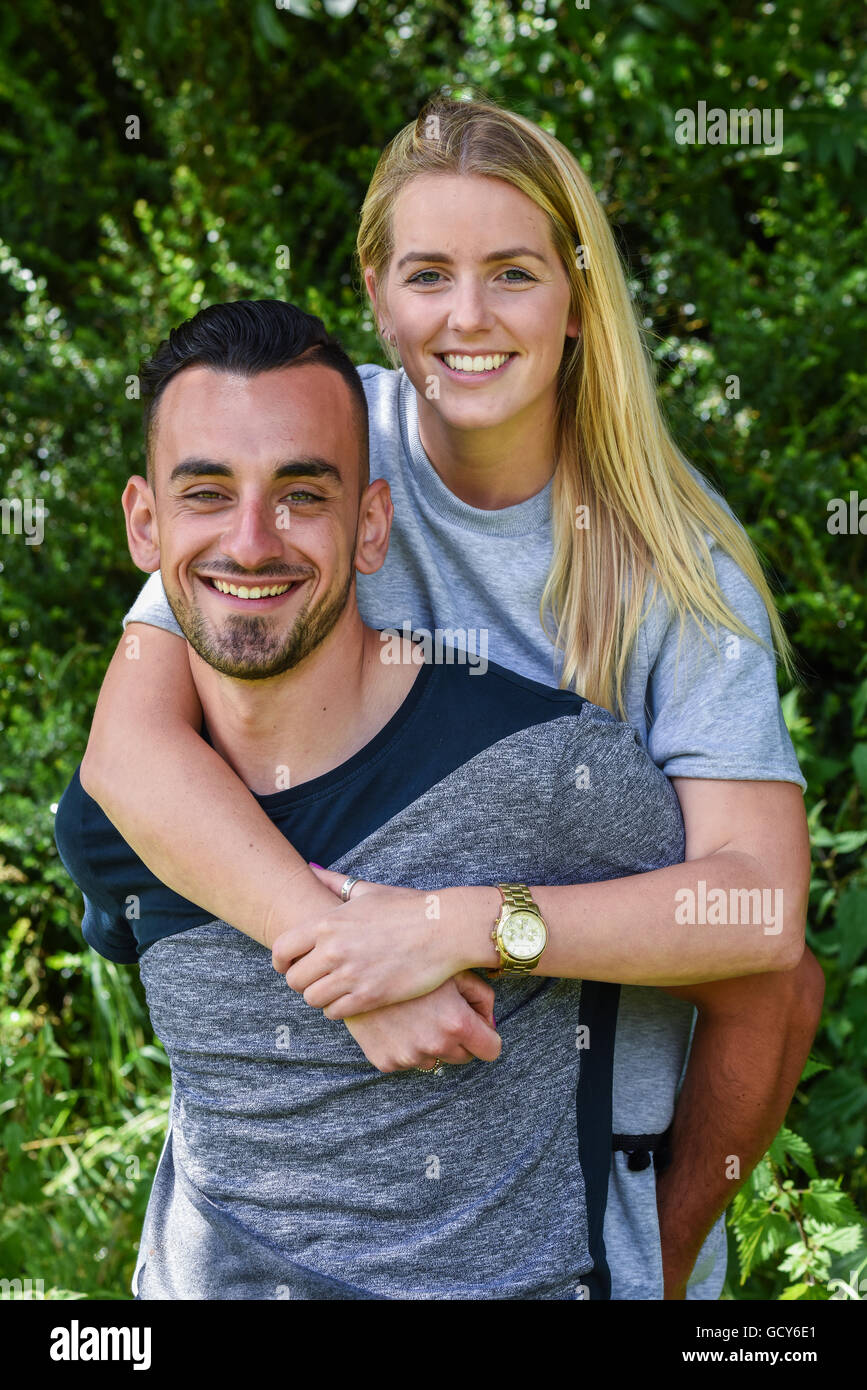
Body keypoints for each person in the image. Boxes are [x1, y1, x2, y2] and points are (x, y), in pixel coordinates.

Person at [78, 96, 822, 1301]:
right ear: (376, 291)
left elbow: (759, 915)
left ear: (579, 299)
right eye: (429, 273)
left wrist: (452, 930)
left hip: (563, 1205)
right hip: (279, 1194)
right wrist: (336, 954)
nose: (466, 318)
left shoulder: (675, 564)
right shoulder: (308, 443)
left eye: (514, 273)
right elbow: (128, 749)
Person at [55, 300, 691, 1299]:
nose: (253, 541)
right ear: (146, 522)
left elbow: (767, 975)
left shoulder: (551, 772)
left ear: (371, 525)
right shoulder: (115, 816)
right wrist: (342, 956)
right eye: (207, 493)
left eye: (303, 495)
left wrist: (671, 1262)